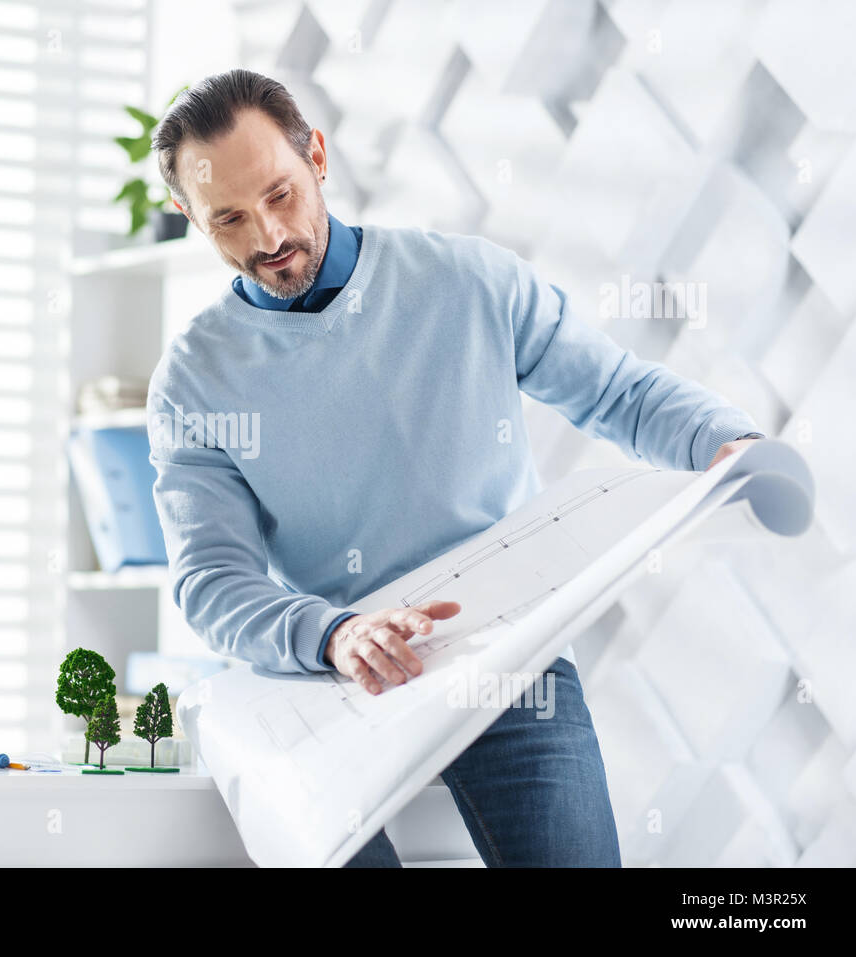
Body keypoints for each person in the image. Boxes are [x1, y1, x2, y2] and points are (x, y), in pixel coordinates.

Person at [145, 68, 764, 867]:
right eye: (228, 218)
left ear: (318, 158)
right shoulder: (194, 380)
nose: (267, 237)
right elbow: (215, 581)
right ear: (189, 217)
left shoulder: (466, 282)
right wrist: (334, 635)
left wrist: (728, 443)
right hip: (332, 680)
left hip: (508, 660)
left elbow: (619, 393)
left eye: (280, 194)